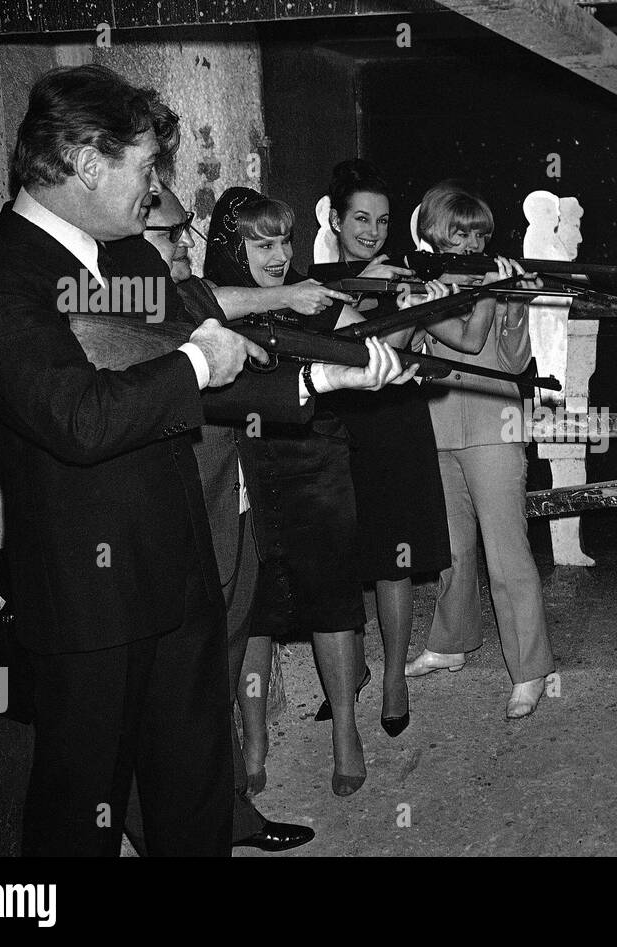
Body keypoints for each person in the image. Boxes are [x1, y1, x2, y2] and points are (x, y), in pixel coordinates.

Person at [0, 65, 267, 856]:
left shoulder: (127, 263)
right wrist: (194, 361)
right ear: (89, 163)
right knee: (75, 818)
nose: (157, 188)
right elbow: (81, 418)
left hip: (179, 575)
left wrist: (327, 373)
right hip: (85, 603)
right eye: (147, 165)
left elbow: (198, 369)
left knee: (195, 805)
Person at [114, 184, 406, 849]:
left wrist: (319, 314)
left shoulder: (183, 289)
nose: (180, 243)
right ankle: (191, 818)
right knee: (194, 683)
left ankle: (232, 813)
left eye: (185, 230)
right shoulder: (130, 304)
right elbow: (208, 316)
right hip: (201, 506)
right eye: (167, 234)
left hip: (242, 496)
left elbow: (219, 298)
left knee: (233, 654)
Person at [204, 186, 414, 797]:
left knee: (332, 602)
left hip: (318, 462)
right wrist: (284, 296)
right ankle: (254, 741)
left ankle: (345, 732)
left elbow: (373, 341)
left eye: (284, 241)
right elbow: (195, 312)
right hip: (246, 471)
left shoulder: (307, 293)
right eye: (260, 243)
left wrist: (413, 309)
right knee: (256, 615)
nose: (276, 254)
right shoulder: (210, 295)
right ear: (229, 246)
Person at [308, 159, 453, 738]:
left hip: (393, 423)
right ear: (335, 219)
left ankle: (395, 676)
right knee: (342, 555)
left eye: (383, 220)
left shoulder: (402, 275)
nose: (371, 229)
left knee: (395, 558)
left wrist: (427, 303)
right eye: (360, 217)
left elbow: (407, 353)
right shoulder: (311, 284)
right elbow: (353, 353)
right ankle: (354, 671)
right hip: (337, 423)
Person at [403, 180, 556, 720]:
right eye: (457, 234)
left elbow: (513, 362)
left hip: (496, 425)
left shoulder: (492, 281)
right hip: (437, 428)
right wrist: (491, 292)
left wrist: (515, 300)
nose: (469, 245)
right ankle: (451, 643)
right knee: (451, 550)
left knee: (508, 554)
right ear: (433, 236)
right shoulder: (417, 286)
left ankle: (531, 670)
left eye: (478, 234)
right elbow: (464, 341)